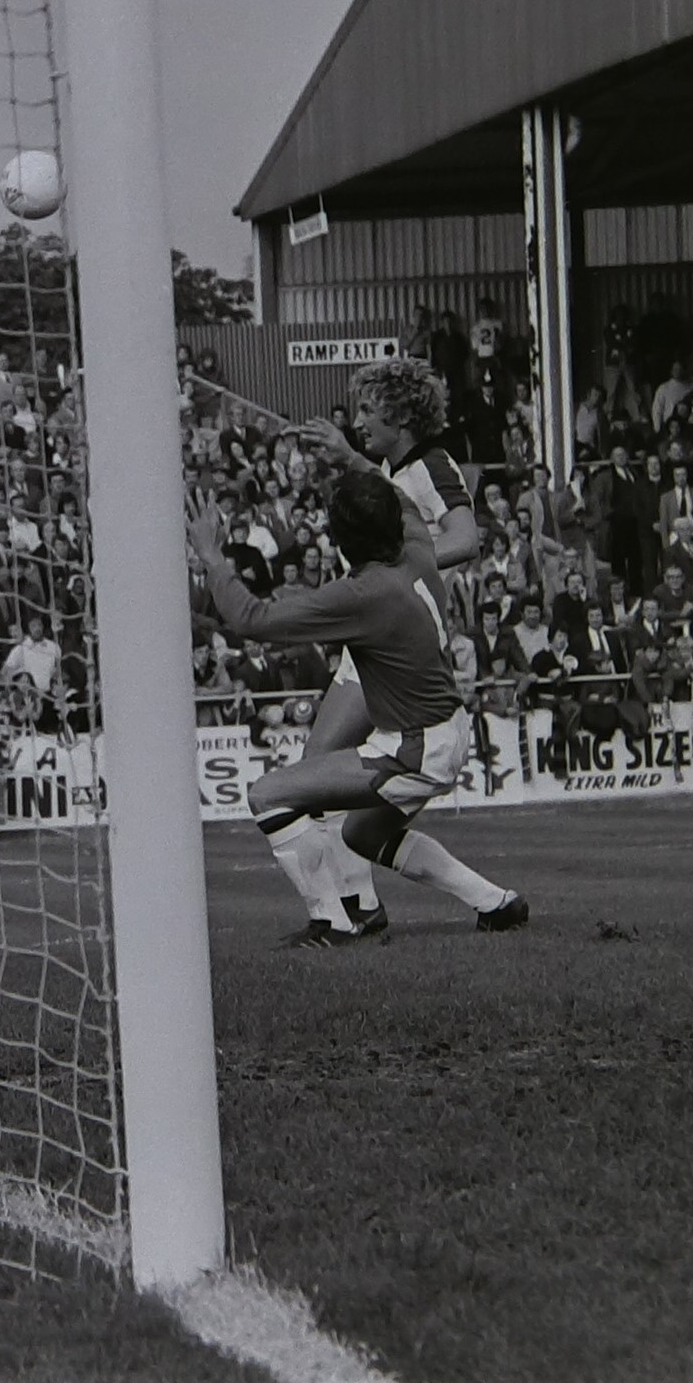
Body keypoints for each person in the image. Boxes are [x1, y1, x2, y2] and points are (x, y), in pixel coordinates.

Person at [187, 472, 528, 946]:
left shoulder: (364, 594)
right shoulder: (417, 549)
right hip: (446, 728)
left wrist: (210, 552)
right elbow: (405, 503)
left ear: (343, 540)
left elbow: (251, 619)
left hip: (414, 745)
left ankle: (333, 921)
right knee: (362, 836)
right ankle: (497, 903)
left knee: (268, 795)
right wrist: (351, 461)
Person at [285, 357, 481, 934]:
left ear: (401, 415)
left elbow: (465, 539)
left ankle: (346, 914)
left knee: (316, 776)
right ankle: (367, 907)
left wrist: (398, 570)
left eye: (370, 410)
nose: (360, 420)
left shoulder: (432, 466)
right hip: (379, 636)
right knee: (320, 775)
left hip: (398, 642)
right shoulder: (395, 469)